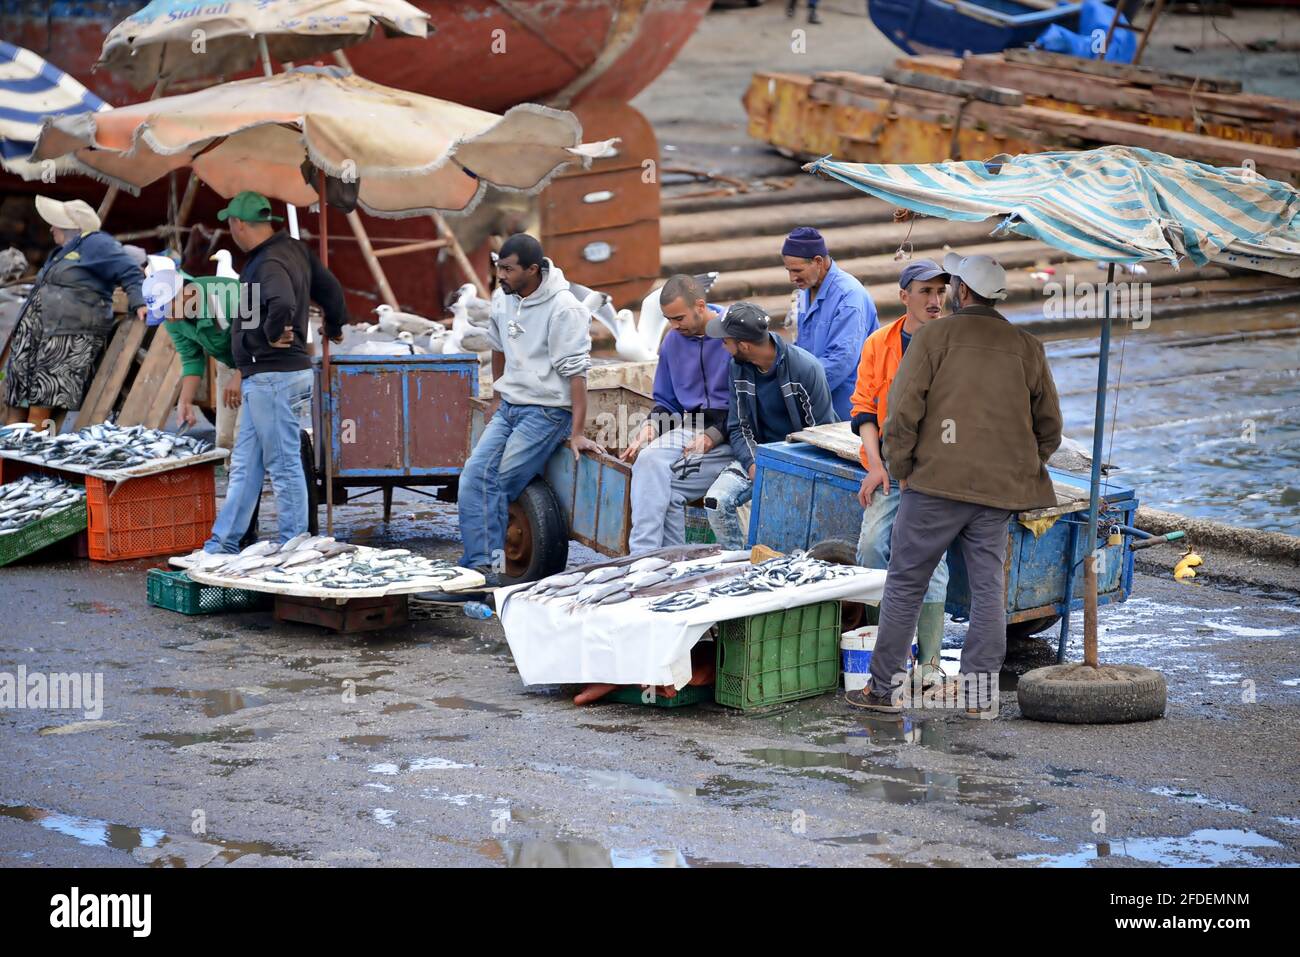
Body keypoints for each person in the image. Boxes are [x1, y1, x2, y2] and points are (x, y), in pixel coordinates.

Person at [847, 253, 1063, 718]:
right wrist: (1020, 465)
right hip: (996, 492)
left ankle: (883, 691)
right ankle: (980, 698)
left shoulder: (933, 338)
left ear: (961, 291)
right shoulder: (1027, 347)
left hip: (933, 486)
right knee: (989, 590)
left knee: (906, 583)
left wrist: (903, 467)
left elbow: (902, 415)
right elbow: (1050, 429)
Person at [430, 233, 598, 594]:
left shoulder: (564, 308)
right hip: (509, 408)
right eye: (498, 268)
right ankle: (478, 568)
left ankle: (489, 569)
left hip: (548, 412)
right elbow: (499, 346)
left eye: (507, 269)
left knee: (499, 481)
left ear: (533, 269)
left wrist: (578, 430)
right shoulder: (503, 299)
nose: (500, 275)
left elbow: (576, 374)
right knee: (473, 478)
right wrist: (495, 395)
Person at [197, 191, 346, 554]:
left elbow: (280, 302)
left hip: (273, 377)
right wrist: (336, 323)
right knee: (246, 464)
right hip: (266, 376)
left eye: (230, 224)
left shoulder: (267, 264)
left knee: (282, 464)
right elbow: (330, 289)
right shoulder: (289, 251)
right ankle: (223, 544)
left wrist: (264, 337)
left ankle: (295, 547)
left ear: (239, 224)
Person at [850, 259, 951, 690]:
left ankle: (929, 662)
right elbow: (864, 409)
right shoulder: (880, 342)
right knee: (872, 547)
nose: (934, 300)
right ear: (904, 296)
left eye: (939, 292)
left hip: (938, 467)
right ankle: (885, 645)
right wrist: (875, 466)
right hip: (890, 461)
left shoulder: (953, 343)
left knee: (931, 558)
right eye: (925, 292)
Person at [703, 302, 837, 549]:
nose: (722, 345)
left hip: (800, 461)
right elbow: (738, 425)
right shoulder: (737, 366)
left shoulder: (806, 368)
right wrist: (754, 463)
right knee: (716, 501)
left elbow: (823, 435)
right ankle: (738, 566)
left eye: (725, 340)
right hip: (759, 456)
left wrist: (784, 470)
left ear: (743, 345)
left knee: (785, 529)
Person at [3, 196, 146, 427]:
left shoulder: (97, 243)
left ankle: (32, 458)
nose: (50, 228)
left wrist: (139, 302)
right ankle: (9, 458)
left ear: (75, 227)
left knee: (43, 401)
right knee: (16, 400)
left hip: (65, 337)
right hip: (37, 333)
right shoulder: (61, 252)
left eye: (56, 223)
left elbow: (131, 271)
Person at [621, 274, 734, 552]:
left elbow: (747, 405)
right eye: (668, 319)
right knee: (651, 466)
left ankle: (646, 555)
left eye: (678, 318)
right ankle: (660, 559)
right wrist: (651, 428)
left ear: (699, 306)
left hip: (733, 433)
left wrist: (712, 436)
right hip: (691, 427)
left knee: (659, 477)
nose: (673, 326)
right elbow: (667, 403)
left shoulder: (732, 335)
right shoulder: (672, 342)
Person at [782, 226, 877, 420]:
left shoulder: (849, 296)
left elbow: (841, 361)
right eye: (788, 271)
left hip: (847, 405)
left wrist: (798, 390)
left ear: (818, 261)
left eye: (797, 270)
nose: (792, 278)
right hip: (814, 400)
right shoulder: (805, 290)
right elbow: (801, 346)